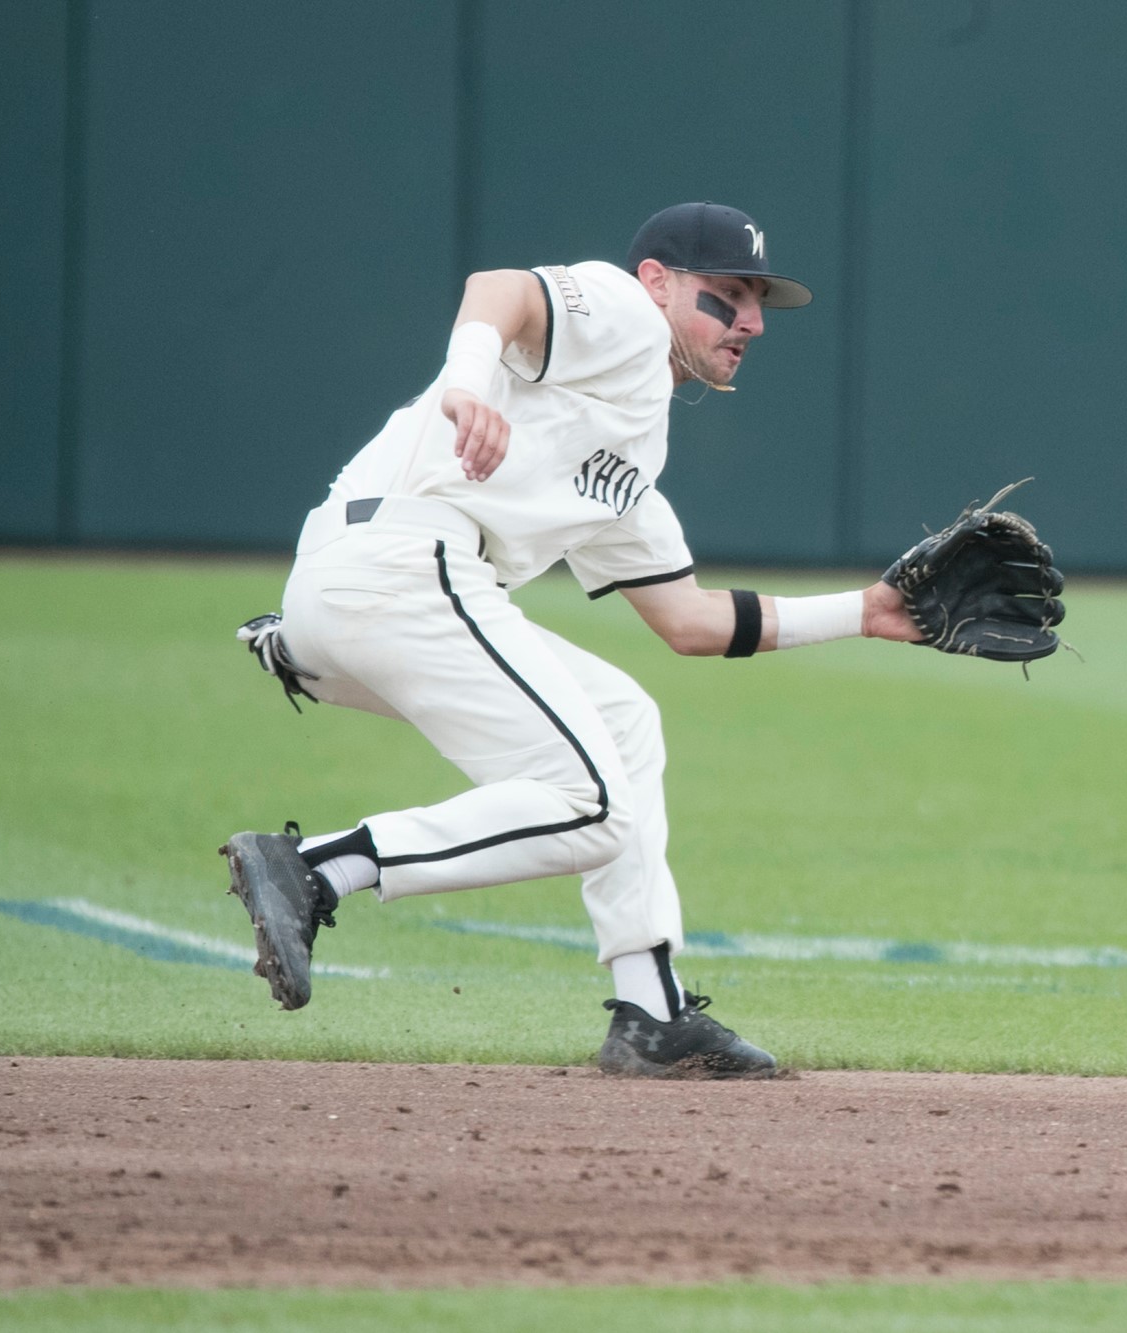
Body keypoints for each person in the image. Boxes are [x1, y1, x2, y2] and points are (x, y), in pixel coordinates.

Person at [222, 202, 923, 1079]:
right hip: (405, 561)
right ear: (660, 284)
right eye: (726, 295)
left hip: (362, 587)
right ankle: (320, 867)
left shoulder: (630, 451)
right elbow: (502, 289)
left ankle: (652, 1010)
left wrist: (870, 610)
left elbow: (691, 621)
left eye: (757, 304)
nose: (748, 320)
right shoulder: (628, 316)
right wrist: (467, 380)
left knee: (625, 722)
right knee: (591, 802)